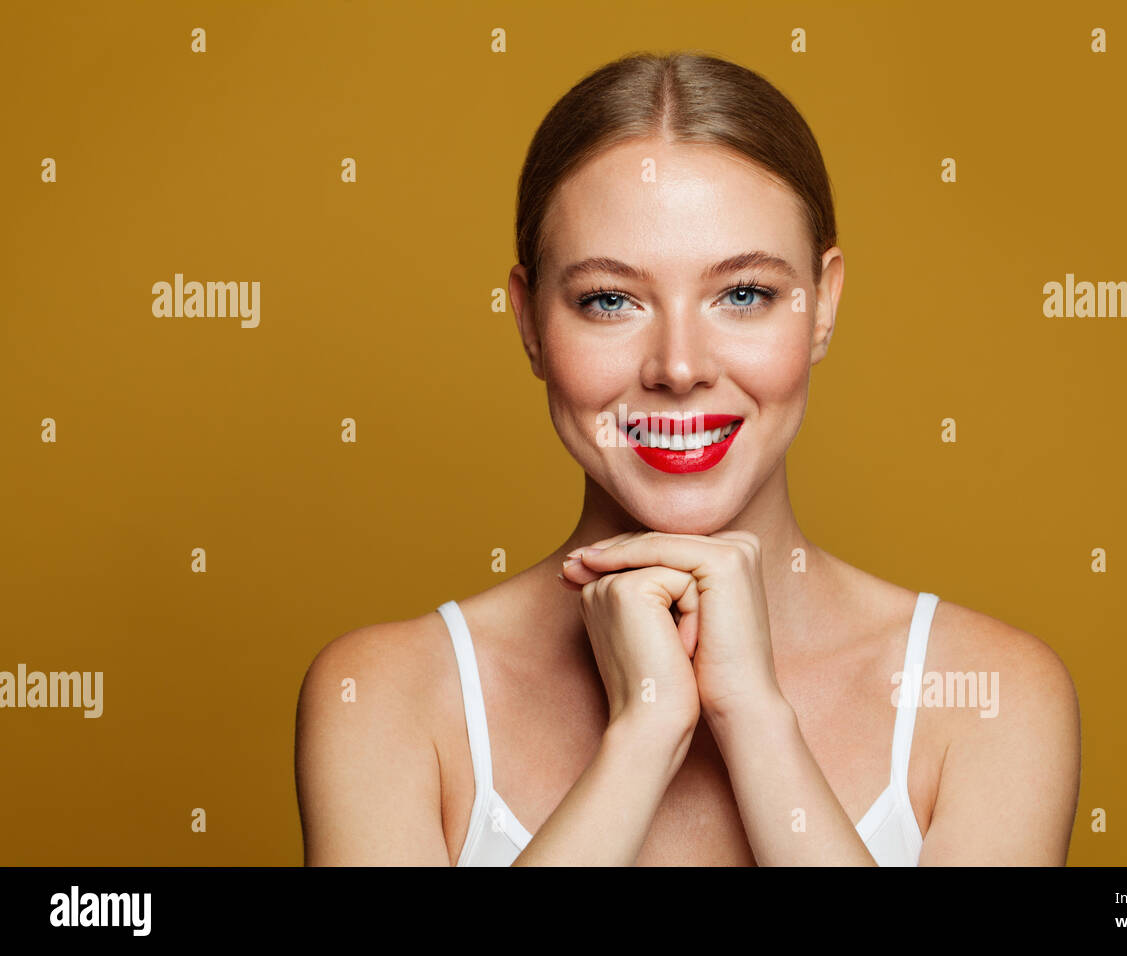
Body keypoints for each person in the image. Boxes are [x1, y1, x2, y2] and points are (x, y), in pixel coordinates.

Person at [294, 50, 1081, 866]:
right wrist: (643, 735)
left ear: (822, 305)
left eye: (743, 295)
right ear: (530, 322)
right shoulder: (387, 697)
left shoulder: (989, 698)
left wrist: (752, 716)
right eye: (610, 300)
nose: (678, 366)